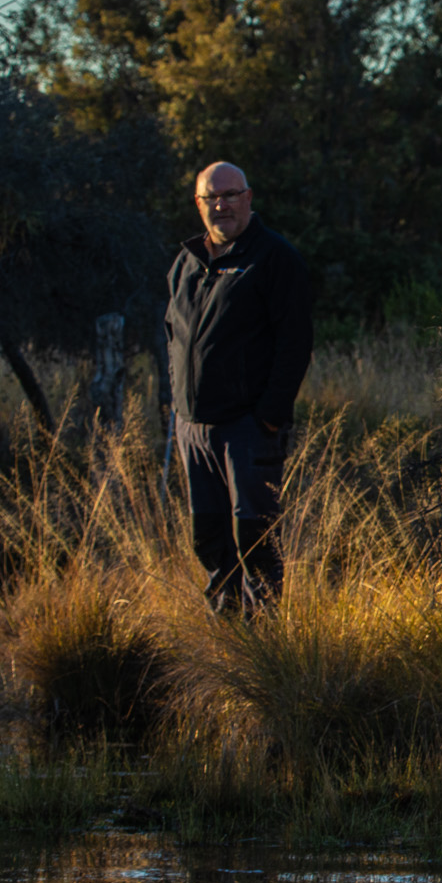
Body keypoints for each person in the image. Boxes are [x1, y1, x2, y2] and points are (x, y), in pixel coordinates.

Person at [165, 162, 314, 612]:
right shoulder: (187, 262)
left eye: (230, 195)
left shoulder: (273, 258)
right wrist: (180, 408)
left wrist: (268, 415)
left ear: (249, 198)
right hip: (194, 429)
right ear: (198, 204)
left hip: (248, 431)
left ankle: (262, 643)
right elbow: (173, 333)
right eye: (211, 197)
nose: (221, 204)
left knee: (255, 538)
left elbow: (295, 344)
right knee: (208, 537)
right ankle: (225, 630)